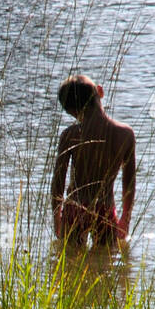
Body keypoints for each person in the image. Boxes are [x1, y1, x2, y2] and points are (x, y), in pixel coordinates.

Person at [52, 75, 136, 245]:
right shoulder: (125, 134)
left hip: (75, 209)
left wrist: (57, 221)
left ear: (72, 112)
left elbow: (58, 182)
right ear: (100, 91)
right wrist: (125, 220)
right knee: (106, 263)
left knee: (70, 262)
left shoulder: (70, 135)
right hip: (104, 209)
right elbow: (129, 184)